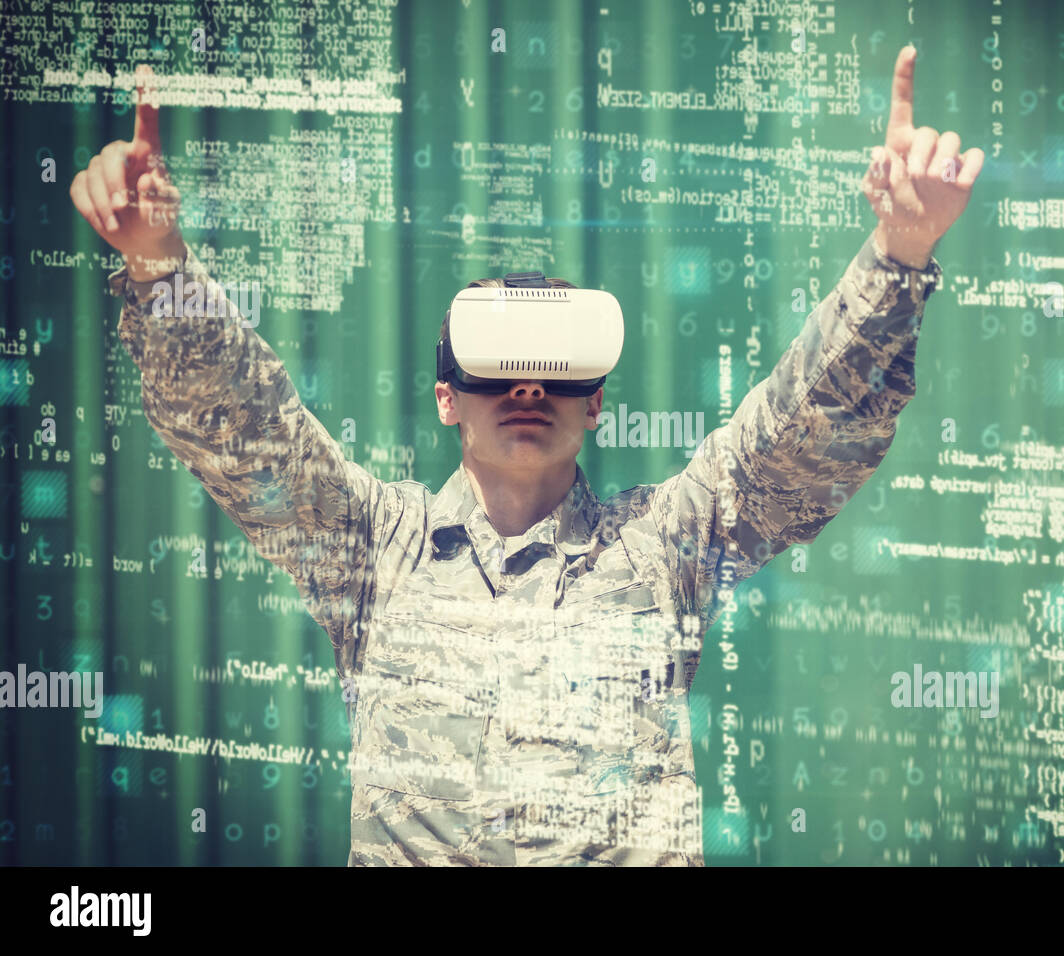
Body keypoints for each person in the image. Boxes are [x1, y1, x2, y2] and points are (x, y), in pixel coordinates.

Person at [69, 48, 984, 866]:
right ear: (446, 400)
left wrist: (899, 253)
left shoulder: (665, 543)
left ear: (596, 404)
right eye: (496, 368)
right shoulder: (369, 549)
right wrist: (159, 266)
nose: (526, 390)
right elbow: (243, 424)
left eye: (554, 371)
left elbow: (800, 434)